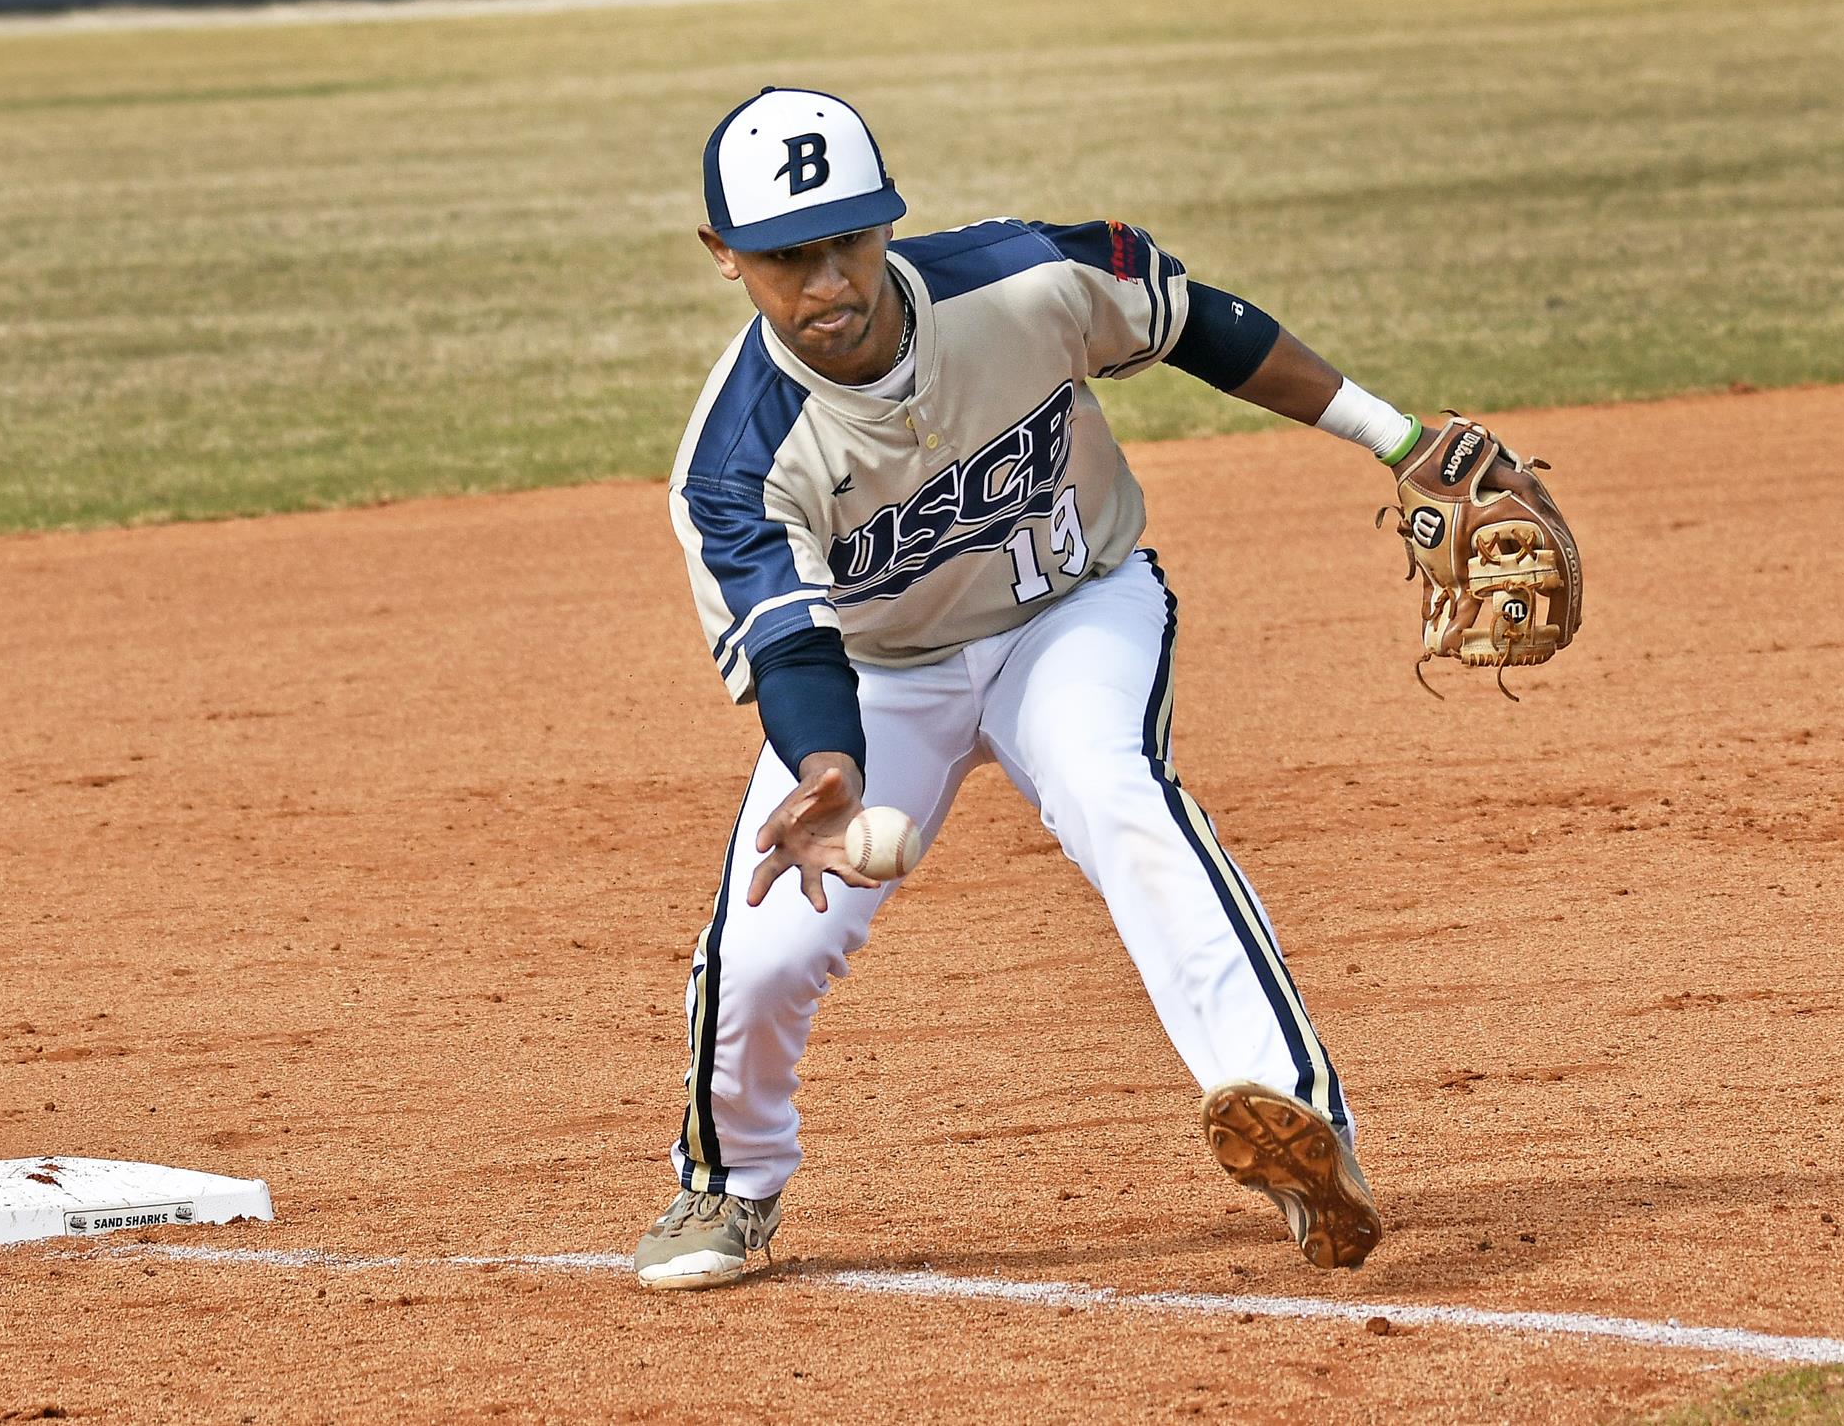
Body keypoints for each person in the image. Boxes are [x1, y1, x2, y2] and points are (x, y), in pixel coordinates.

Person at [635, 86, 1528, 1290]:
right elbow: (794, 647)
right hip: (875, 677)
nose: (829, 283)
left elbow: (1196, 324)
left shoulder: (1020, 277)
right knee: (765, 949)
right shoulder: (737, 461)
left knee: (1120, 796)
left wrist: (1394, 435)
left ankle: (1292, 1118)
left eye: (847, 240)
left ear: (888, 222)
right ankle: (728, 1185)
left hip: (1072, 608)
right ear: (723, 258)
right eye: (787, 258)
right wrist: (827, 769)